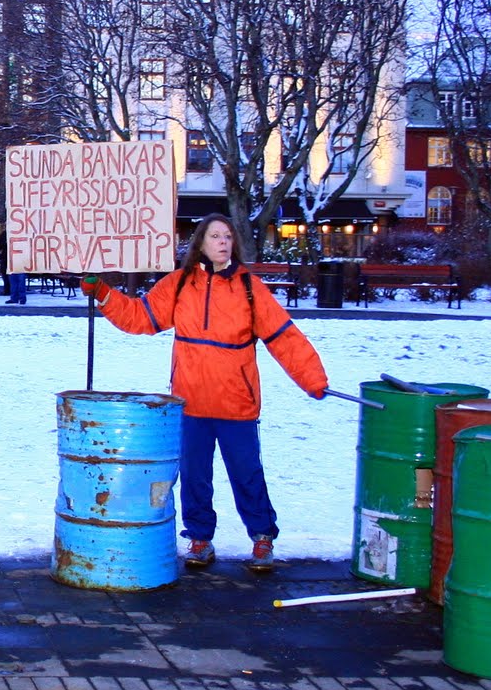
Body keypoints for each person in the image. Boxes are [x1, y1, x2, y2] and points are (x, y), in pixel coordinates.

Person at [82, 214, 328, 572]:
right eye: (215, 236)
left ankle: (262, 537)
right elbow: (141, 317)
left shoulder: (249, 288)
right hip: (191, 402)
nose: (223, 242)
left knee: (247, 473)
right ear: (201, 242)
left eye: (227, 236)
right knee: (195, 476)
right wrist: (104, 294)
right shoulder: (180, 284)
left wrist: (312, 379)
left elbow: (284, 337)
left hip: (236, 404)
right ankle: (199, 538)